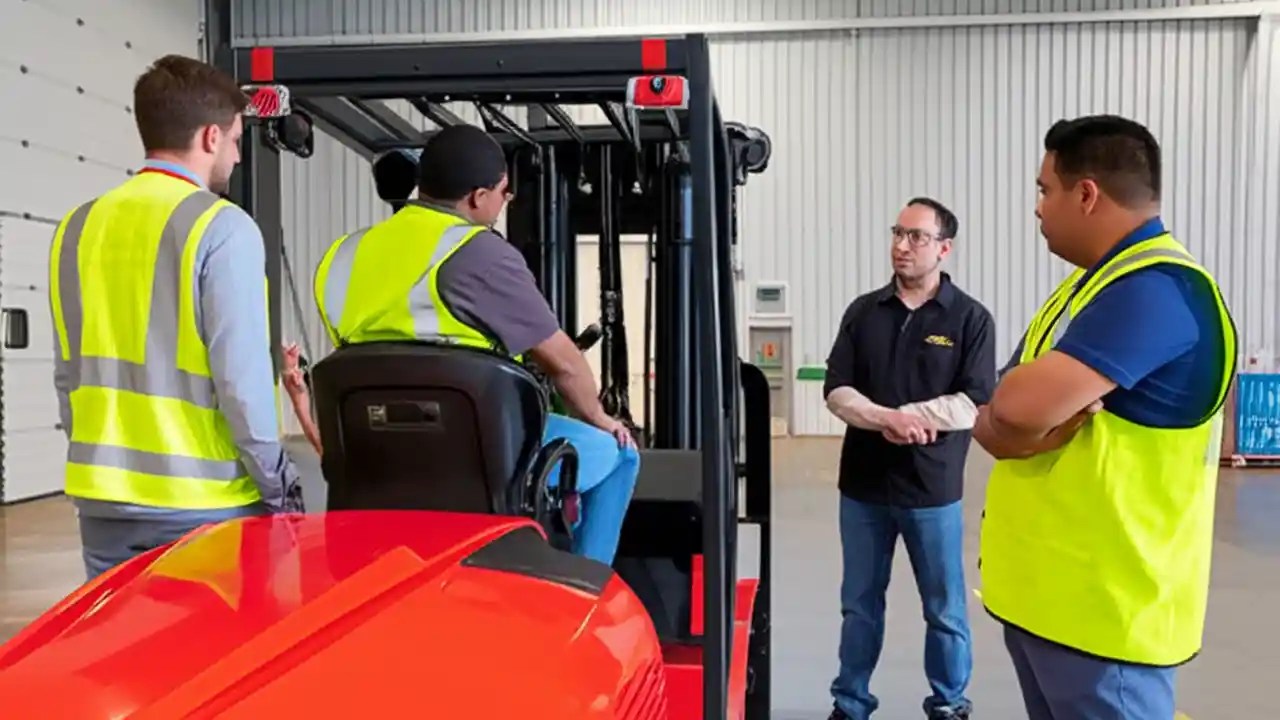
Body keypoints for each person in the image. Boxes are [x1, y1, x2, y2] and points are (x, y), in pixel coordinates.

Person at [974, 115, 1237, 719]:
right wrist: (1011, 424)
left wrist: (1013, 421)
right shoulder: (1088, 289)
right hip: (1052, 606)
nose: (1038, 207)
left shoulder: (1156, 291)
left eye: (1045, 190)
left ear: (1086, 194)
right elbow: (999, 411)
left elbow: (1012, 409)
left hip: (1107, 621)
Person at [305, 124, 639, 567]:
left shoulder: (344, 254)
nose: (506, 201)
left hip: (374, 455)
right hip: (478, 456)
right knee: (620, 454)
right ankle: (584, 589)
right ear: (478, 197)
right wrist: (599, 417)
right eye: (503, 192)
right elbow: (564, 363)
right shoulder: (481, 253)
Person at [49, 55, 305, 581]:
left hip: (104, 502)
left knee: (120, 633)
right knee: (212, 637)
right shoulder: (222, 228)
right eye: (236, 141)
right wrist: (279, 485)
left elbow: (68, 374)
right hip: (204, 503)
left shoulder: (77, 226)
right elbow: (241, 385)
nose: (237, 157)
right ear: (210, 137)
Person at [822, 198, 996, 720]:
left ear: (944, 248)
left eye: (917, 236)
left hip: (931, 491)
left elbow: (972, 402)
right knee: (859, 606)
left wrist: (906, 416)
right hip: (864, 488)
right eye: (898, 233)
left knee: (944, 610)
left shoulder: (969, 319)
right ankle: (850, 703)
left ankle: (949, 704)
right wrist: (885, 419)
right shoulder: (864, 312)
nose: (902, 246)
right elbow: (836, 390)